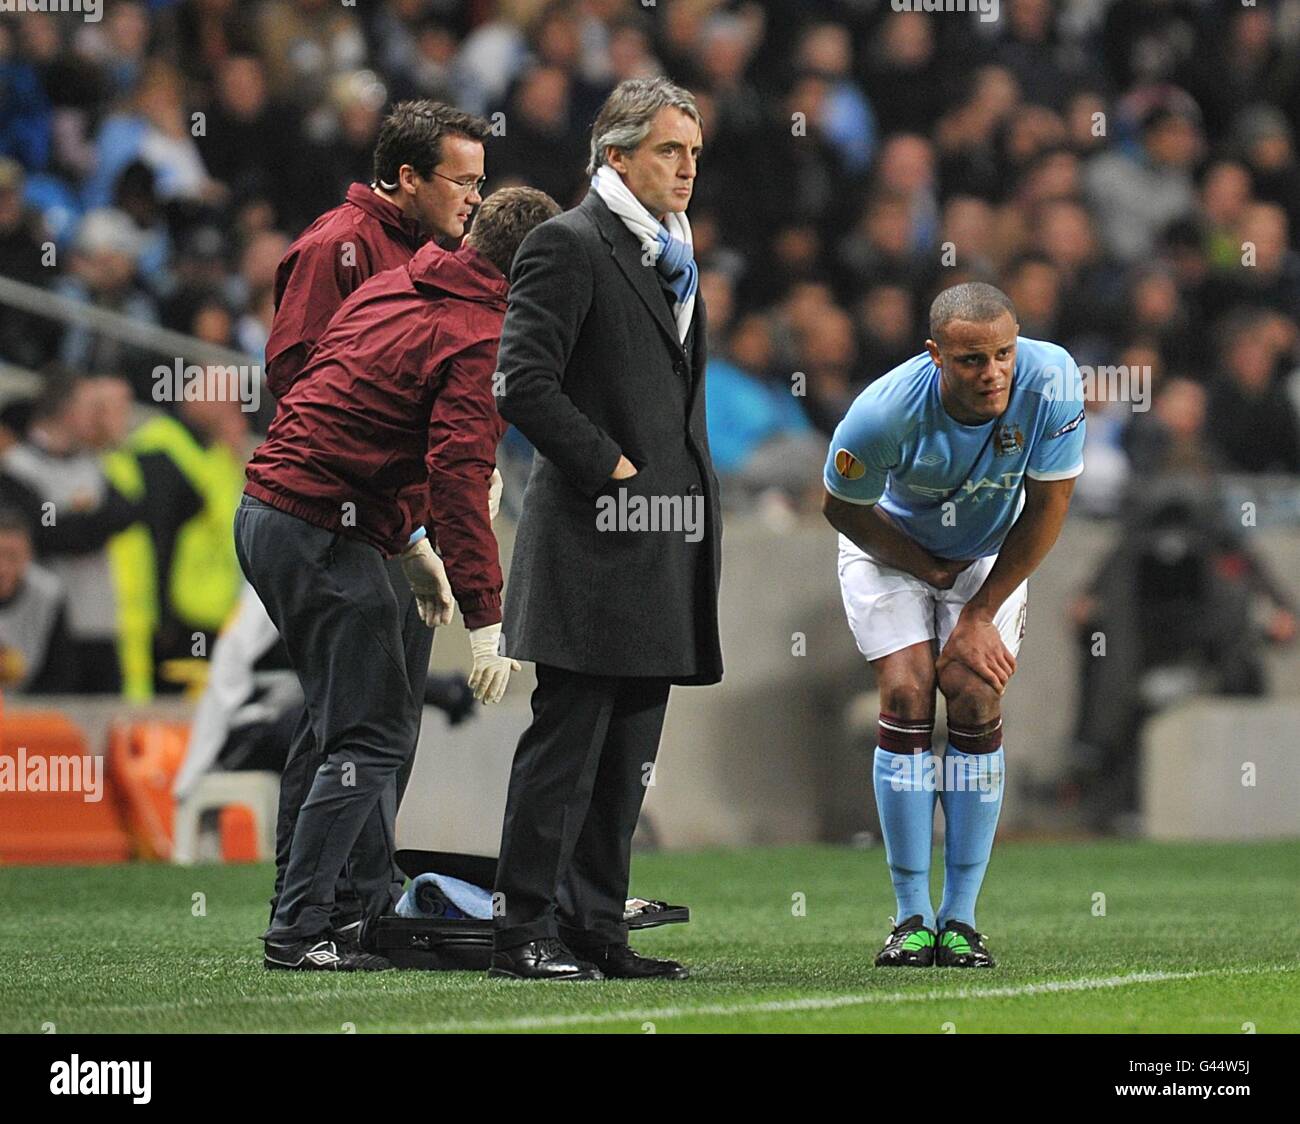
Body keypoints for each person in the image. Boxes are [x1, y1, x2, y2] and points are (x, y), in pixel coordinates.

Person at [236, 185, 560, 971]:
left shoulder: (396, 284)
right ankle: (305, 928)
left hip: (272, 512)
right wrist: (488, 618)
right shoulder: (479, 335)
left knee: (335, 724)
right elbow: (455, 477)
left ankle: (334, 911)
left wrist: (406, 541)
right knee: (373, 734)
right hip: (320, 527)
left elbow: (343, 400)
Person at [489, 77, 723, 982]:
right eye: (670, 150)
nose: (687, 168)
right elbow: (522, 384)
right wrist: (614, 468)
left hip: (662, 539)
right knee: (566, 746)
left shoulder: (676, 252)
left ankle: (593, 926)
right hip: (593, 535)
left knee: (626, 755)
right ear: (614, 155)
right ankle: (524, 928)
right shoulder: (567, 243)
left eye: (694, 153)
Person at [256, 98, 492, 953]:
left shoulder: (435, 254)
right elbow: (299, 379)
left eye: (480, 181)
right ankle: (317, 904)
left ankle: (352, 896)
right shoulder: (337, 246)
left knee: (367, 720)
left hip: (391, 518)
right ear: (406, 178)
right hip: (342, 515)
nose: (474, 197)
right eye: (461, 181)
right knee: (355, 722)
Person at [822, 282, 1085, 968]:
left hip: (990, 553)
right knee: (907, 691)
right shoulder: (880, 415)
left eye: (1003, 353)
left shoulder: (1053, 378)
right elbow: (843, 509)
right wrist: (925, 568)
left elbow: (1050, 505)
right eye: (972, 360)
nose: (993, 372)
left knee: (973, 689)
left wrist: (979, 609)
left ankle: (960, 918)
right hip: (891, 545)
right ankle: (910, 915)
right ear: (935, 355)